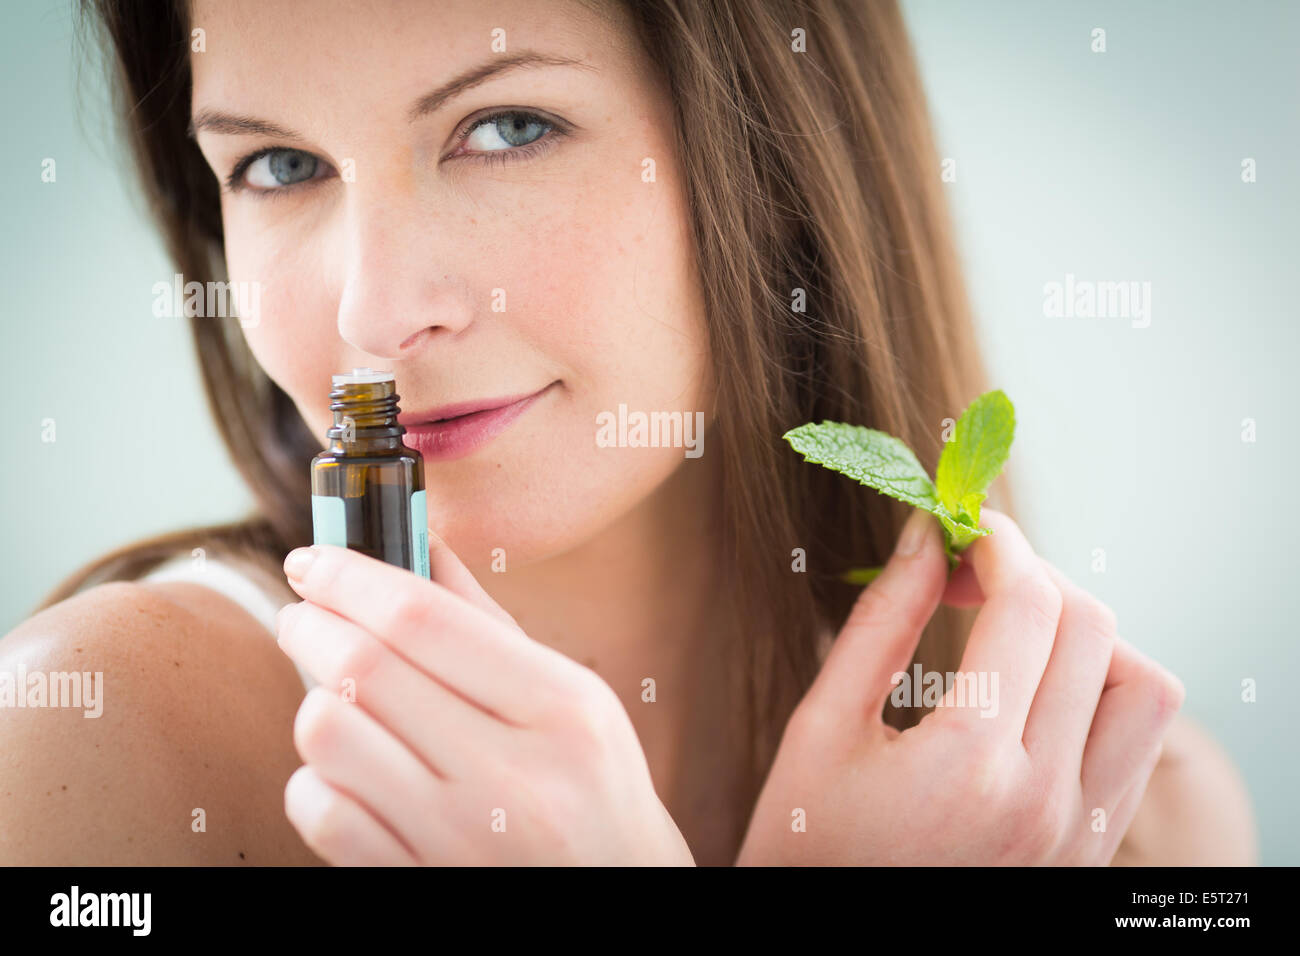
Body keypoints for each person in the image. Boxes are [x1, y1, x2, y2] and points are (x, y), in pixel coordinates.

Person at [1, 0, 1255, 865]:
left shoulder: (1141, 810)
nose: (374, 313)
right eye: (277, 164)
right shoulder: (107, 738)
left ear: (779, 166)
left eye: (506, 128)